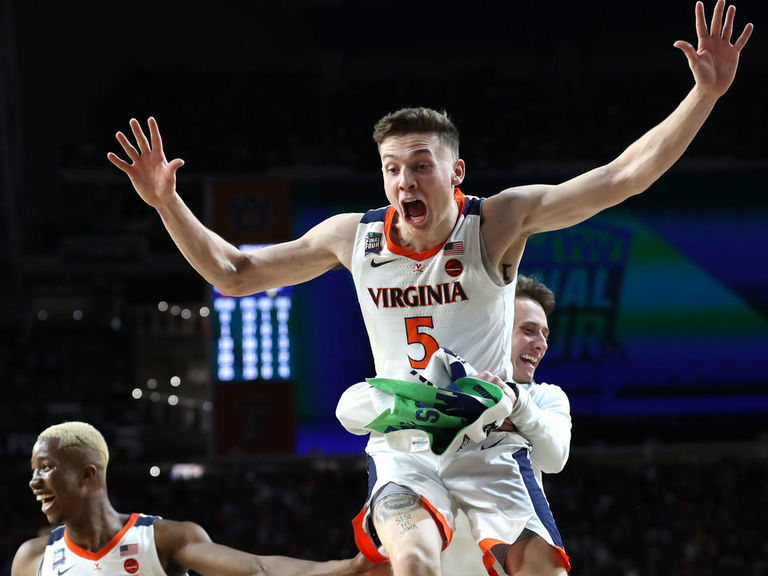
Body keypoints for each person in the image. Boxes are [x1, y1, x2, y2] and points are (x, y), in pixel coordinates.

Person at [107, 2, 752, 574]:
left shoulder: (495, 223)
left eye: (420, 165)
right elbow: (231, 273)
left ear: (455, 170)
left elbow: (623, 178)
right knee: (413, 565)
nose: (405, 181)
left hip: (490, 445)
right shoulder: (351, 238)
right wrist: (167, 203)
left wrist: (704, 97)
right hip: (405, 447)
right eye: (392, 168)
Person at [11, 421, 388, 576]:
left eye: (45, 468)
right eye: (33, 471)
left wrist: (347, 568)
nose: (33, 482)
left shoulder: (161, 540)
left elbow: (258, 569)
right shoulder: (32, 559)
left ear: (87, 475)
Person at [441, 275, 569, 576]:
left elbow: (555, 458)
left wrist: (517, 404)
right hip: (446, 560)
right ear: (495, 330)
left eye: (545, 335)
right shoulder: (448, 382)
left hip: (512, 559)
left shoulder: (547, 397)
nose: (541, 345)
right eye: (528, 331)